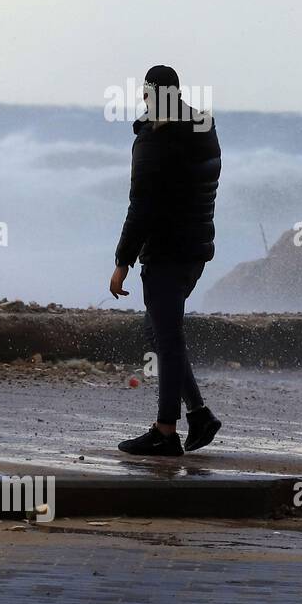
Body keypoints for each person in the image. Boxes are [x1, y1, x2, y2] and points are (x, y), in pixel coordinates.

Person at [109, 65, 223, 456]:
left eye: (144, 93)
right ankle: (200, 414)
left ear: (148, 95)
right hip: (195, 249)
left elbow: (142, 205)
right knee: (160, 331)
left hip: (167, 252)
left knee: (167, 338)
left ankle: (165, 431)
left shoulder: (154, 140)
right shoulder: (203, 129)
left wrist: (122, 260)